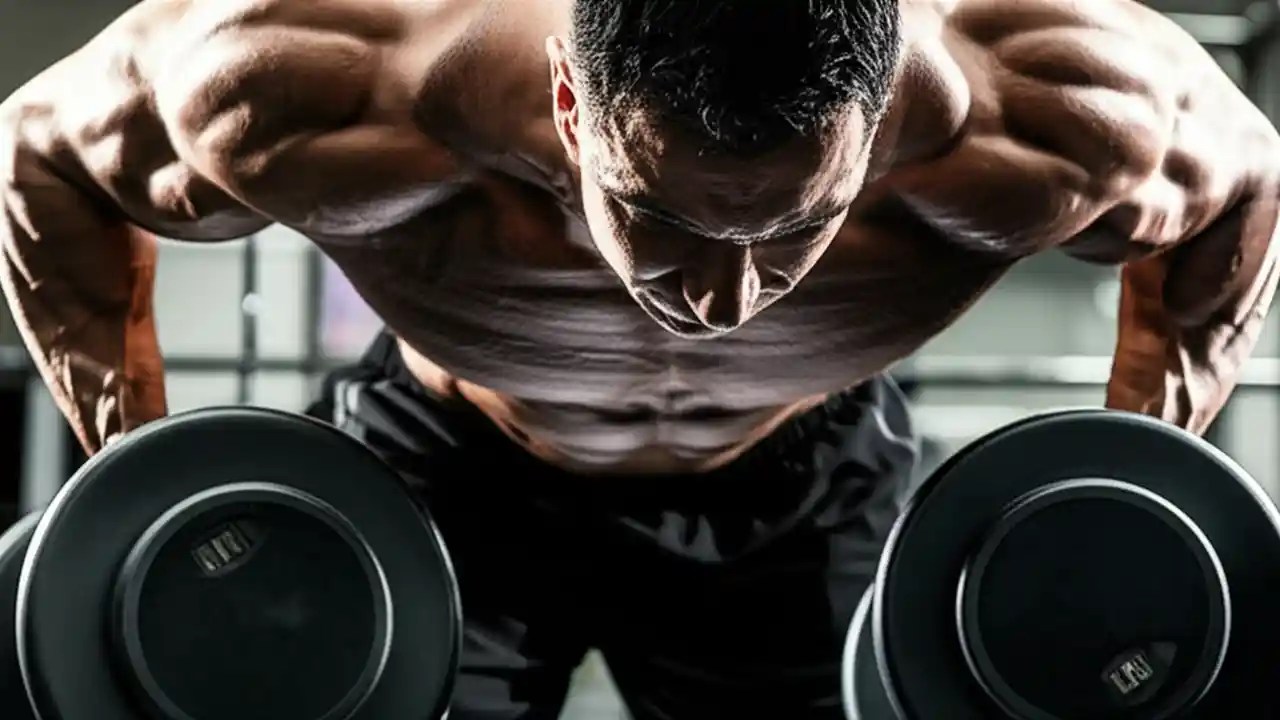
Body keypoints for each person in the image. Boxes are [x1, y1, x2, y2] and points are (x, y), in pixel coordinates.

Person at [1, 0, 1276, 716]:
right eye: (661, 218)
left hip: (801, 482)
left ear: (875, 119)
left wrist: (1132, 478)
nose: (722, 298)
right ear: (570, 101)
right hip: (449, 477)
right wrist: (135, 469)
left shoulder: (1051, 108)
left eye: (795, 229)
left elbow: (1246, 183)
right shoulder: (328, 85)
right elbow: (38, 152)